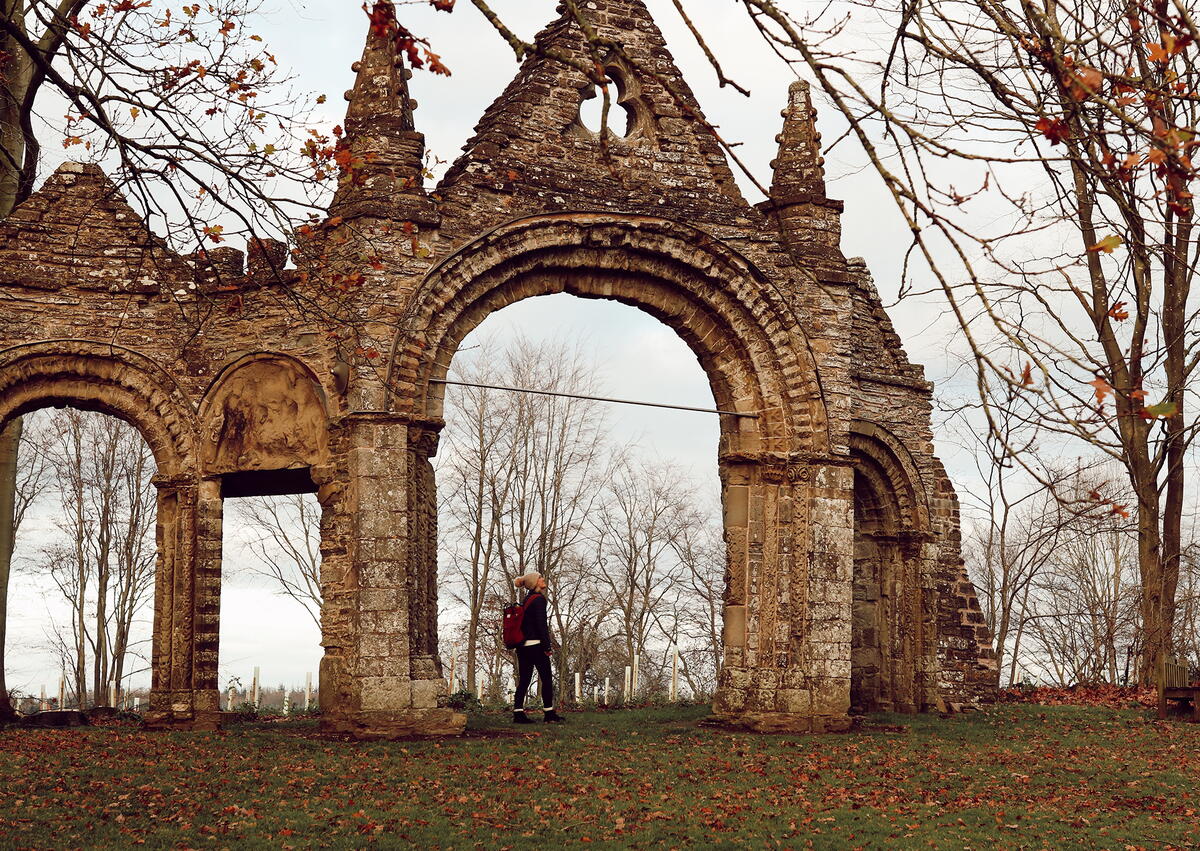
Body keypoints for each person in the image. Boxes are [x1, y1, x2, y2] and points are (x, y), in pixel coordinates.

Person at [512, 571, 563, 724]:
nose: (543, 579)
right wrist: (547, 646)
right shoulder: (539, 600)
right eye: (540, 578)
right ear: (535, 583)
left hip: (523, 647)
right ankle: (548, 713)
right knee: (546, 678)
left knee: (524, 680)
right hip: (536, 646)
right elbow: (542, 626)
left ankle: (518, 713)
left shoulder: (527, 599)